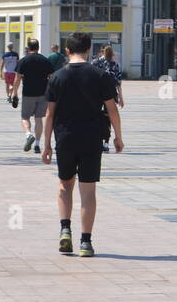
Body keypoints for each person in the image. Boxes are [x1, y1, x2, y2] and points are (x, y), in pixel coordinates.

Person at [41, 32, 123, 258]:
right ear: (88, 50)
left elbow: (50, 114)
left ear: (67, 51)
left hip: (65, 138)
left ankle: (65, 229)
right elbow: (112, 109)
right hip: (91, 138)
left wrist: (46, 144)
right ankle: (85, 242)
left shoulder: (57, 77)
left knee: (64, 185)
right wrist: (118, 136)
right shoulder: (100, 75)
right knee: (88, 190)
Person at [14, 38, 53, 153]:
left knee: (25, 117)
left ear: (28, 47)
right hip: (43, 93)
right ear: (38, 47)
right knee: (39, 118)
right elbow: (52, 77)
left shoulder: (24, 60)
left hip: (28, 93)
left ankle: (28, 134)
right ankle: (37, 144)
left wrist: (14, 93)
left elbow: (17, 79)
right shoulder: (44, 60)